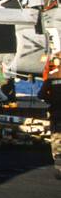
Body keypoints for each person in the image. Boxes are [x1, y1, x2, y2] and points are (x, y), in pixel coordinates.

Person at [42, 51, 61, 180]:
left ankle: (59, 163)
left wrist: (52, 100)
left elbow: (41, 95)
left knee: (56, 137)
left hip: (56, 112)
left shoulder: (52, 76)